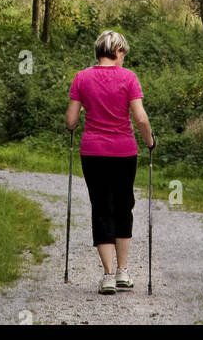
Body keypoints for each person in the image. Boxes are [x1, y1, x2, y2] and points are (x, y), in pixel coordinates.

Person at [65, 29, 155, 294]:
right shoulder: (129, 78)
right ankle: (122, 272)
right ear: (117, 52)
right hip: (124, 152)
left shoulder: (81, 78)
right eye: (123, 54)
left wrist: (81, 118)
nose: (123, 59)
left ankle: (106, 276)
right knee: (124, 205)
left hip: (92, 152)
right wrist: (150, 142)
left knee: (101, 206)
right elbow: (140, 118)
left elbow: (70, 122)